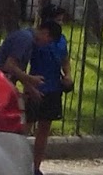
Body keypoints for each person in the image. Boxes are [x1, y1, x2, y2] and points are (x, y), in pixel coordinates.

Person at [25, 18, 72, 175]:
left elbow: (65, 60)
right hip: (35, 88)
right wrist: (28, 85)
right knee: (25, 127)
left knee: (44, 130)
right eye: (58, 18)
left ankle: (36, 167)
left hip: (53, 89)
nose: (61, 21)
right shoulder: (33, 40)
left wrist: (68, 75)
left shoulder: (60, 40)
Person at [0, 3, 69, 97]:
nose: (47, 44)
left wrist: (31, 89)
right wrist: (30, 78)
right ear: (45, 33)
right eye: (49, 41)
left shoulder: (30, 41)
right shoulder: (25, 39)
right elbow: (9, 65)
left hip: (6, 81)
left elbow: (18, 71)